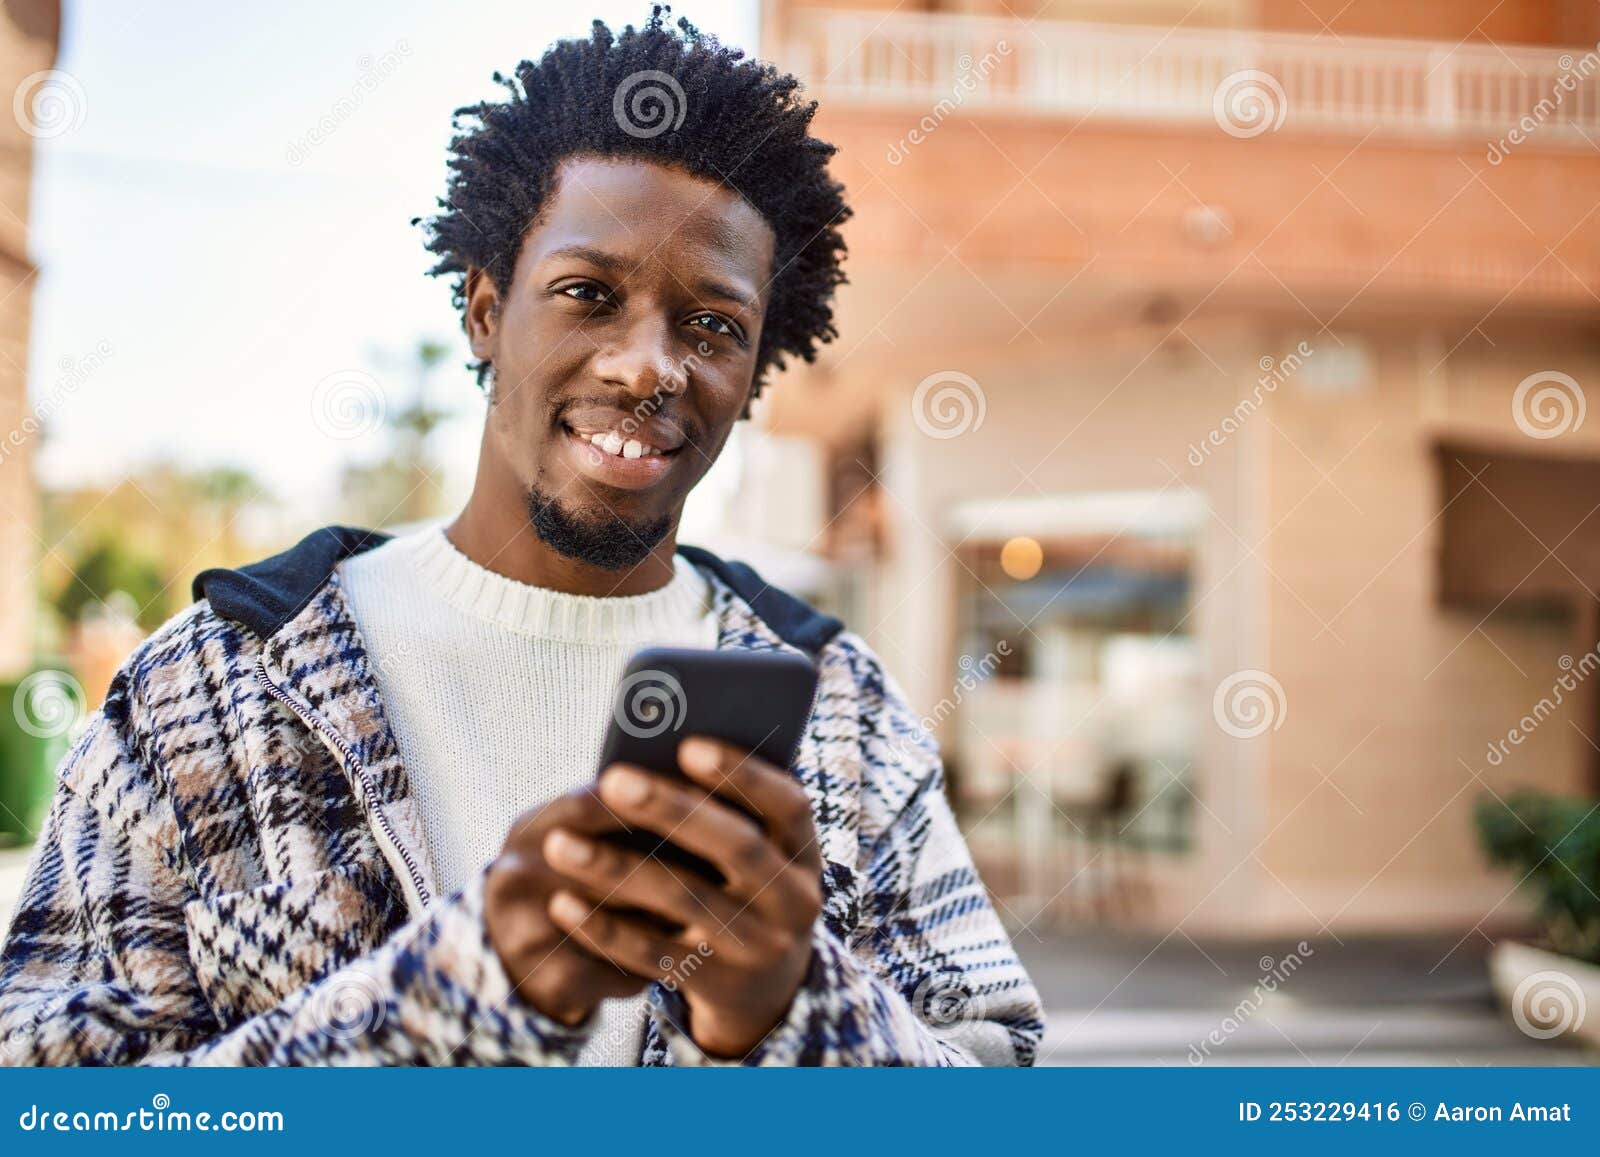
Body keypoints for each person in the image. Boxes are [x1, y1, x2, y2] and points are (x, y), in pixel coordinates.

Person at [0, 7, 1043, 1067]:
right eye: (588, 294)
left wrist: (791, 1011)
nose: (648, 367)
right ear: (486, 311)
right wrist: (460, 992)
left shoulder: (846, 714)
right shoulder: (208, 689)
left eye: (714, 324)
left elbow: (1000, 1079)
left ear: (758, 366)